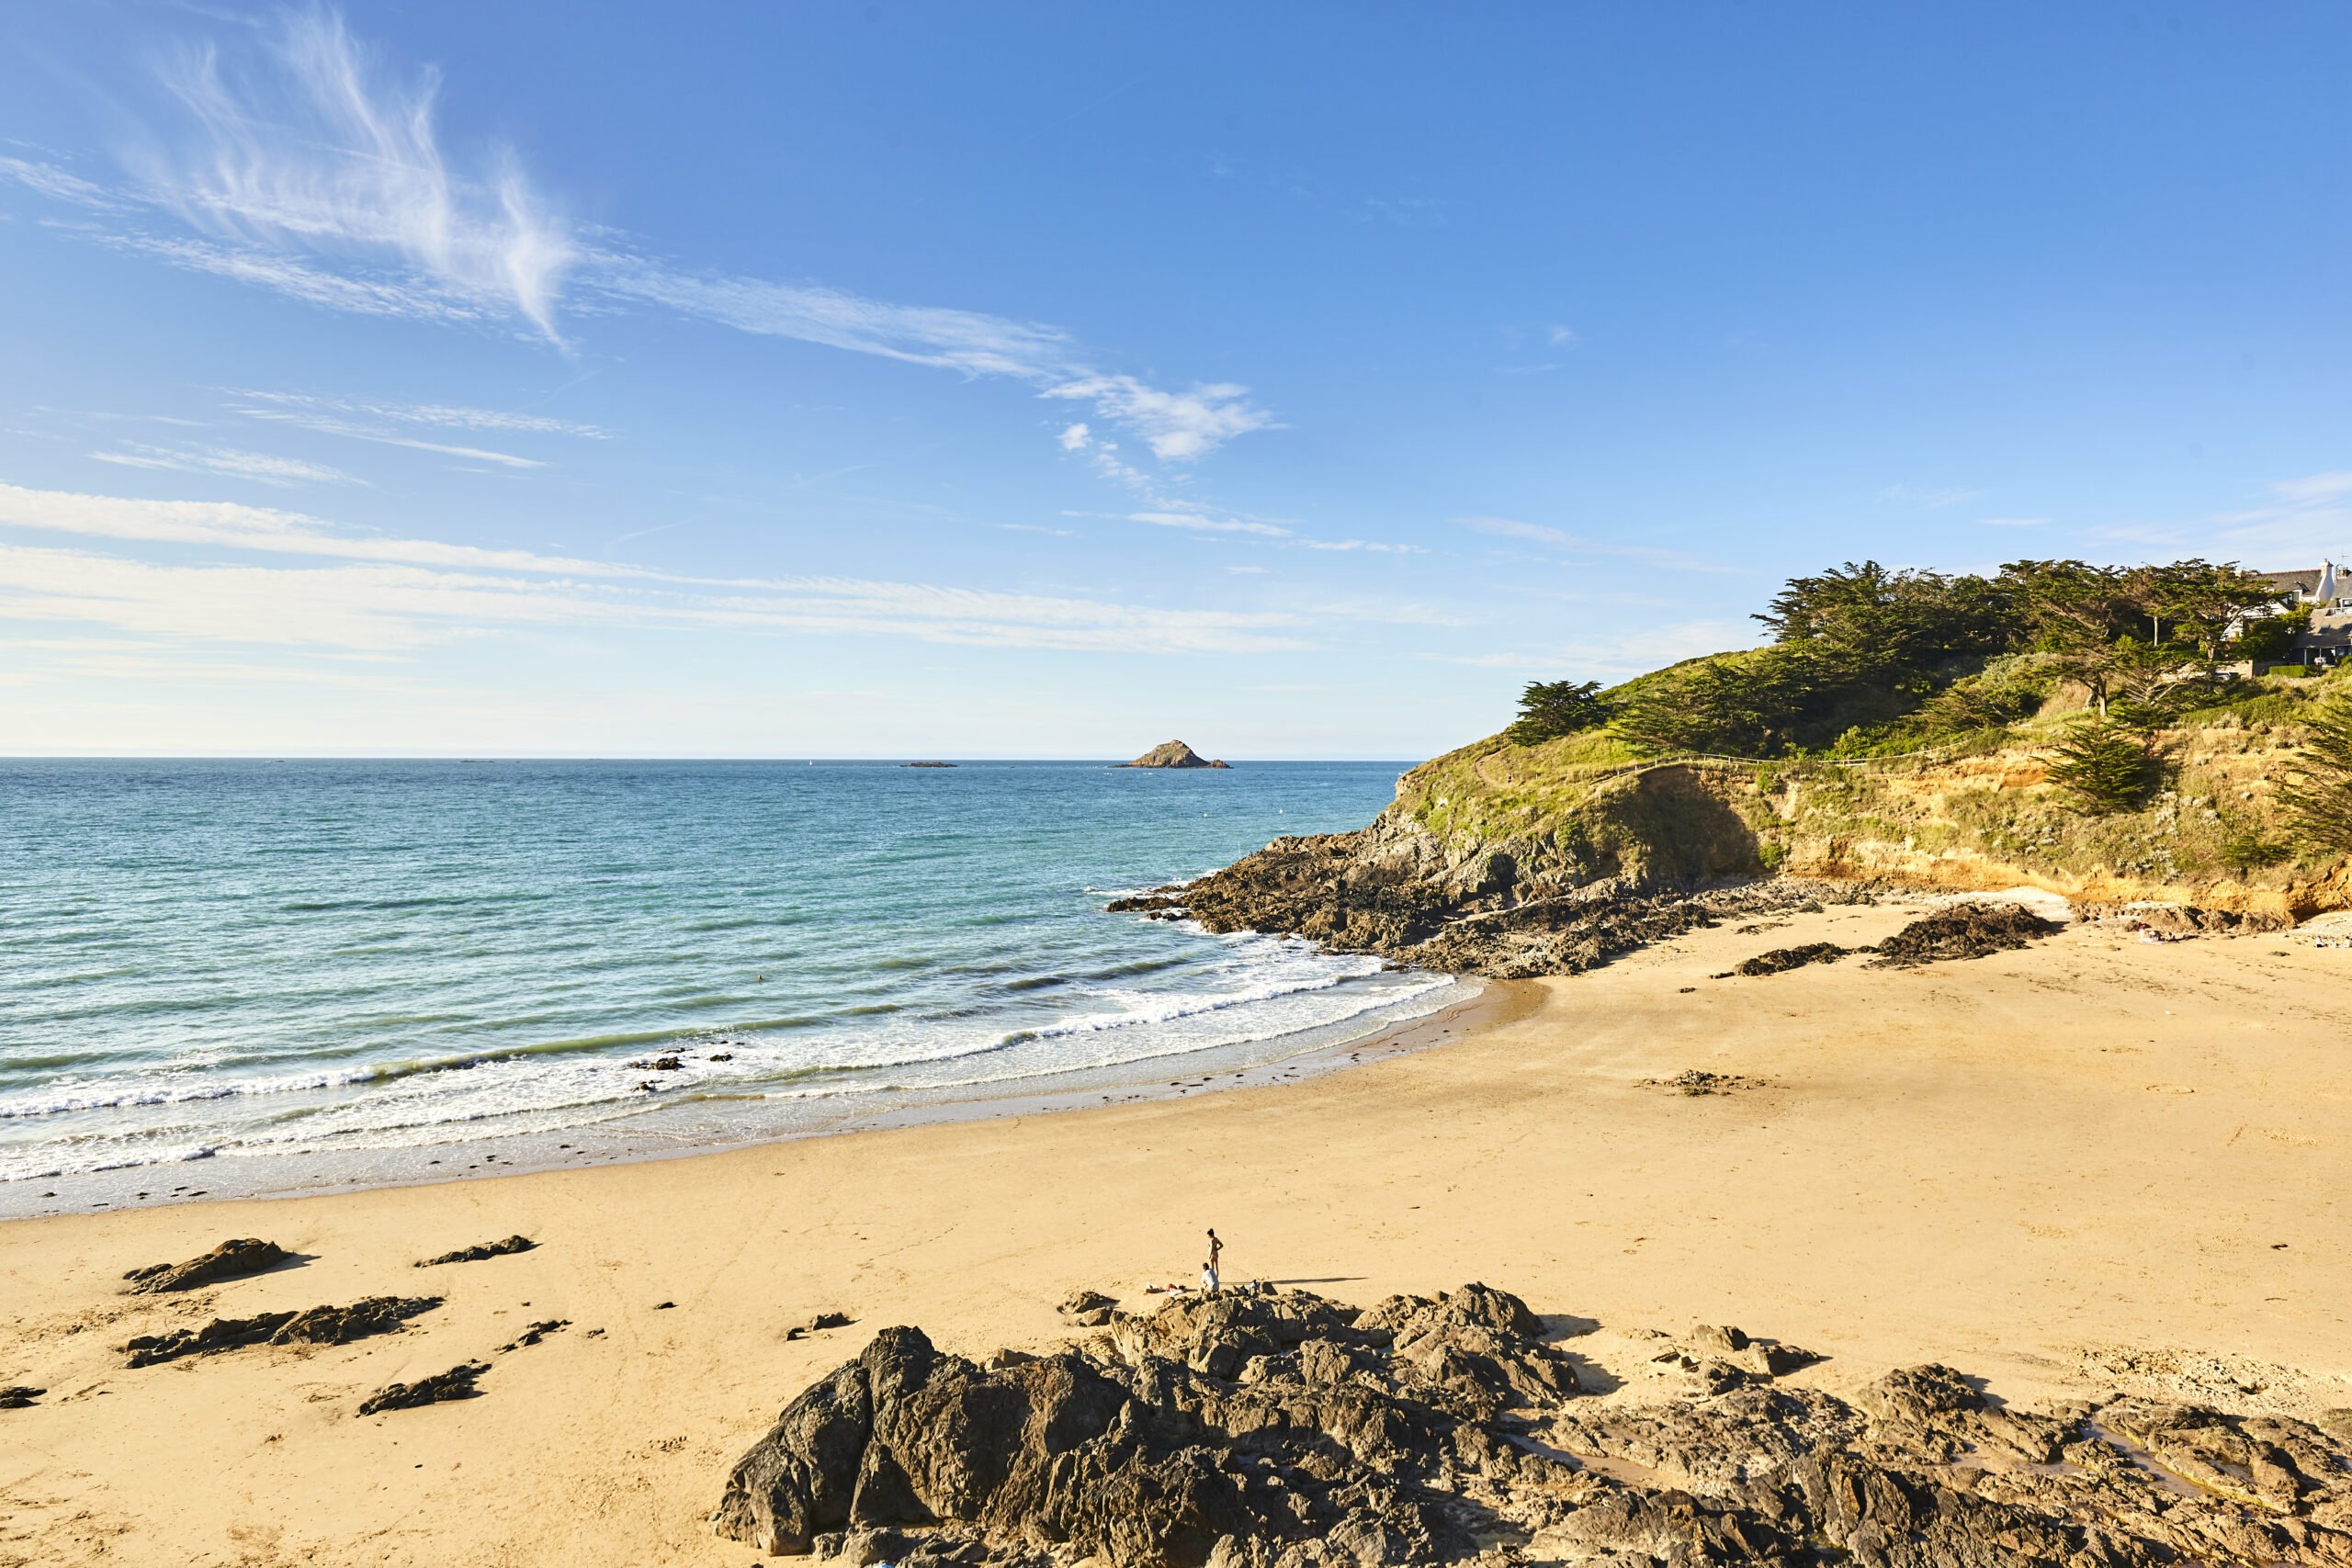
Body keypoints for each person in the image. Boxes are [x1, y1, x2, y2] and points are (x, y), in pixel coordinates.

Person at [1203, 1228, 1223, 1294]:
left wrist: (1209, 1256)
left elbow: (1211, 1248)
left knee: (1212, 1269)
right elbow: (1221, 1245)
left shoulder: (1211, 1241)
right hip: (1216, 1254)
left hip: (1212, 1255)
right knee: (1217, 1267)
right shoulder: (1216, 1239)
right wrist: (1217, 1249)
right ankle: (1217, 1279)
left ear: (1210, 1235)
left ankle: (1214, 1279)